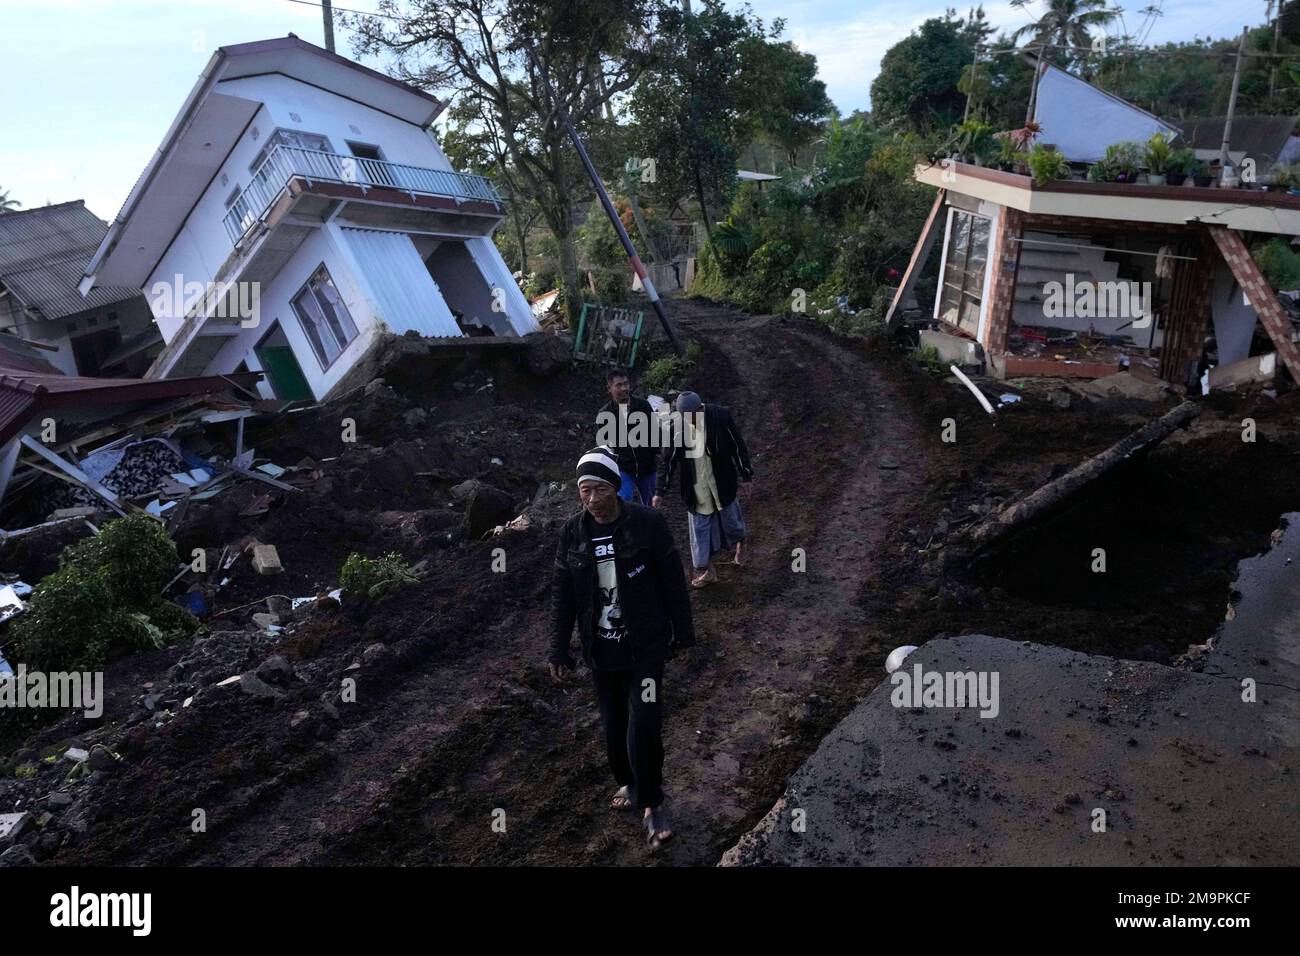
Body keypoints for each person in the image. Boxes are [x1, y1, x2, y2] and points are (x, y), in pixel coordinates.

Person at [549, 446, 695, 849]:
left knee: (643, 723)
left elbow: (672, 581)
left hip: (645, 645)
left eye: (600, 489)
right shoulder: (572, 533)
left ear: (616, 487)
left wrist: (683, 634)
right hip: (602, 651)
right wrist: (558, 650)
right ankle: (630, 782)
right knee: (614, 728)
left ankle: (653, 802)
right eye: (584, 491)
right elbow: (562, 594)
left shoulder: (647, 524)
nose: (592, 499)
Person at [653, 391, 753, 589]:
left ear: (700, 409)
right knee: (699, 533)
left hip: (722, 483)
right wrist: (659, 491)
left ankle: (742, 545)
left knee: (732, 522)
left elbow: (737, 446)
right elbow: (668, 461)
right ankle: (709, 571)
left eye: (691, 415)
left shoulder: (720, 417)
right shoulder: (676, 429)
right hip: (696, 489)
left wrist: (746, 475)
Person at [595, 368, 658, 504]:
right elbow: (605, 447)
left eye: (626, 384)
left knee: (651, 503)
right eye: (619, 385)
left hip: (646, 465)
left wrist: (653, 453)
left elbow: (655, 432)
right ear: (609, 388)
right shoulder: (605, 414)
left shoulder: (643, 406)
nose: (624, 388)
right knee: (624, 500)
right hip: (622, 468)